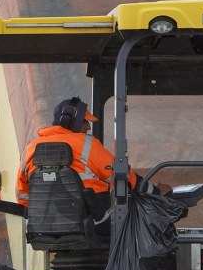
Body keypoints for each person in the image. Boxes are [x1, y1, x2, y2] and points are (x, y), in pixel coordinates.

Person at [14, 97, 143, 230]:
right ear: (67, 121)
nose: (88, 126)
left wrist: (50, 212)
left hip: (49, 228)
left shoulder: (30, 149)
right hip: (96, 222)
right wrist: (153, 190)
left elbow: (21, 195)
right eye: (84, 121)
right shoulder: (86, 144)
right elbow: (120, 174)